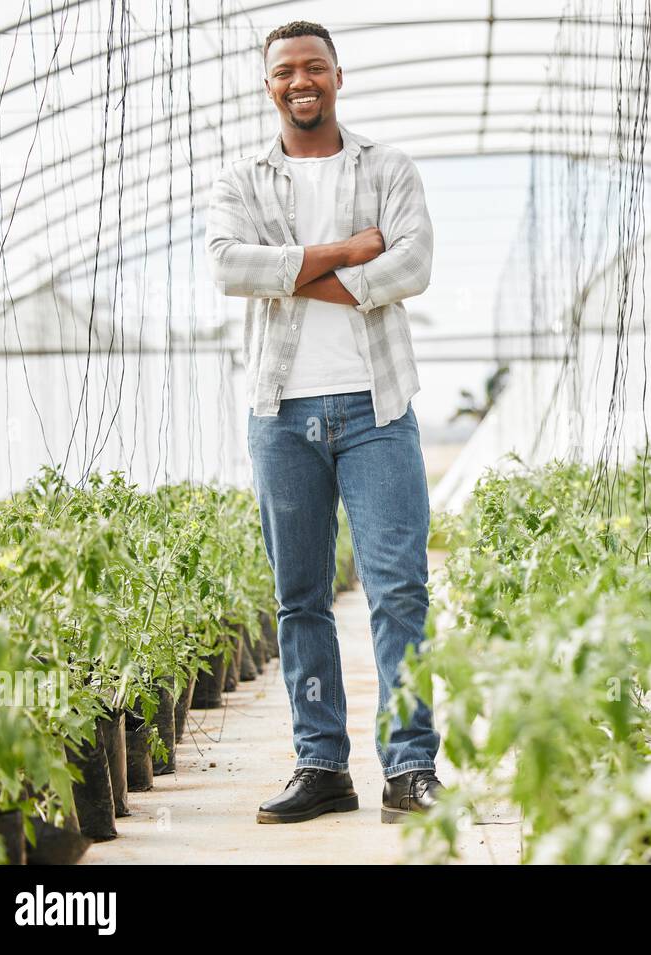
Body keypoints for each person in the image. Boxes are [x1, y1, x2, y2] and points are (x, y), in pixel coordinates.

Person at [204, 19, 443, 824]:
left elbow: (411, 263)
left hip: (378, 406)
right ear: (269, 84)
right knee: (300, 595)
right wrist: (346, 251)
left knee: (398, 589)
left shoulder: (389, 168)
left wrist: (295, 272)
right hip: (282, 413)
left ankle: (410, 769)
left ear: (339, 74)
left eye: (314, 67)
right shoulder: (244, 180)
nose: (299, 81)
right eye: (284, 71)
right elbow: (227, 266)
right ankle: (321, 763)